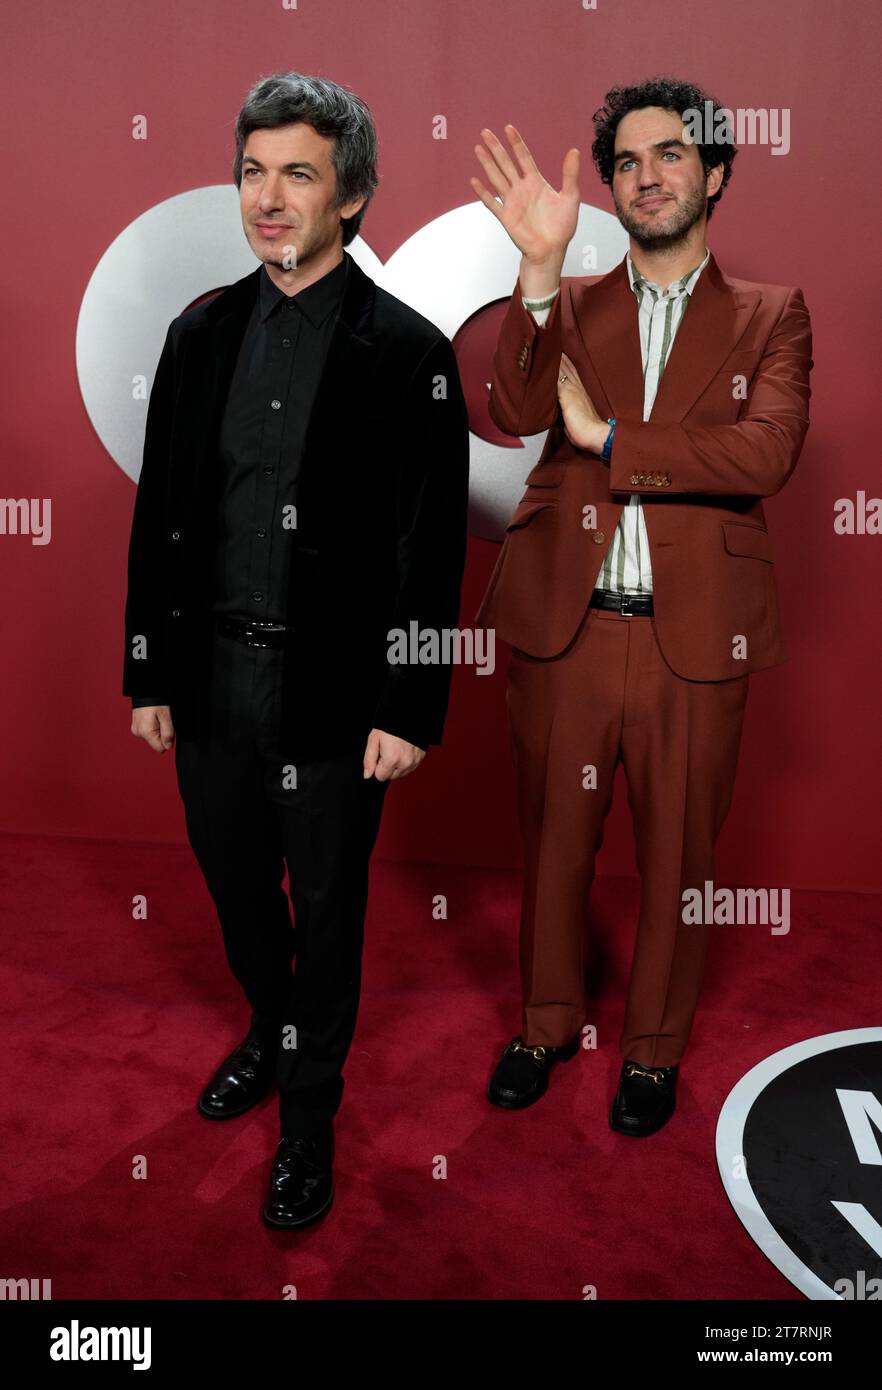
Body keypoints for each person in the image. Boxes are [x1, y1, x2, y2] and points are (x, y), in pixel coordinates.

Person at [123, 72, 469, 1226]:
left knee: (326, 913)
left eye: (299, 175)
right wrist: (149, 671)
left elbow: (429, 546)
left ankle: (308, 1117)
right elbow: (162, 514)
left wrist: (410, 707)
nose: (269, 198)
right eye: (253, 172)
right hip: (212, 683)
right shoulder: (199, 332)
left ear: (354, 194)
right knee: (236, 898)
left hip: (334, 699)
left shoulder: (409, 350)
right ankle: (272, 1034)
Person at [470, 76, 812, 1135]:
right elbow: (513, 408)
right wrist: (535, 272)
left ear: (714, 174)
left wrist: (615, 443)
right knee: (552, 843)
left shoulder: (770, 315)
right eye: (626, 161)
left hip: (695, 640)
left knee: (679, 859)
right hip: (567, 630)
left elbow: (767, 452)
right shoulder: (571, 305)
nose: (645, 176)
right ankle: (543, 1024)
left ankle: (653, 1053)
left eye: (669, 155)